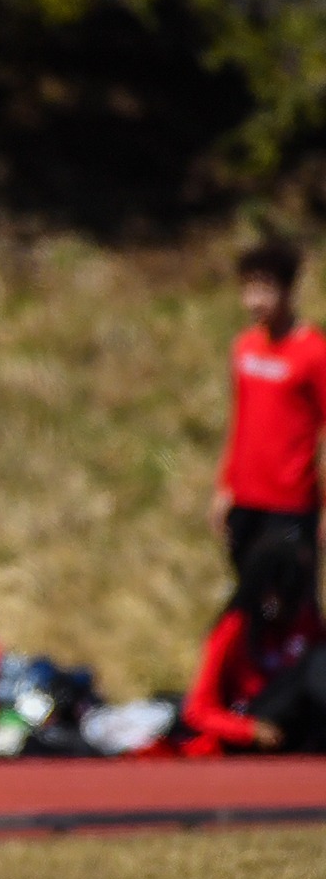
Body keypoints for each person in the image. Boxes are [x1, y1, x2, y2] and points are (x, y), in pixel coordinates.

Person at [211, 240, 326, 588]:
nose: (254, 301)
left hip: (291, 502)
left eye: (264, 289)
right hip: (246, 497)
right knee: (249, 594)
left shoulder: (313, 353)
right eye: (248, 289)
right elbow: (240, 422)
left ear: (288, 290)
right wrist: (224, 487)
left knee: (291, 597)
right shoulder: (244, 347)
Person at [183, 533, 326, 754]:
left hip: (298, 725)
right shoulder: (235, 627)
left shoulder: (306, 623)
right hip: (253, 724)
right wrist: (249, 730)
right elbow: (198, 709)